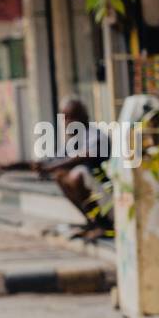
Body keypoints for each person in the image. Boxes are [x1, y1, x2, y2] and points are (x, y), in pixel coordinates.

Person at [36, 96, 112, 237]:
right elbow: (51, 161)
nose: (67, 122)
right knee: (61, 175)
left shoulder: (96, 135)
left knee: (77, 175)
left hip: (109, 194)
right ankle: (93, 222)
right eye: (64, 118)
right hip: (96, 195)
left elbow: (83, 156)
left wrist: (50, 167)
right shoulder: (73, 141)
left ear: (82, 117)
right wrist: (7, 167)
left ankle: (104, 224)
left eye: (71, 117)